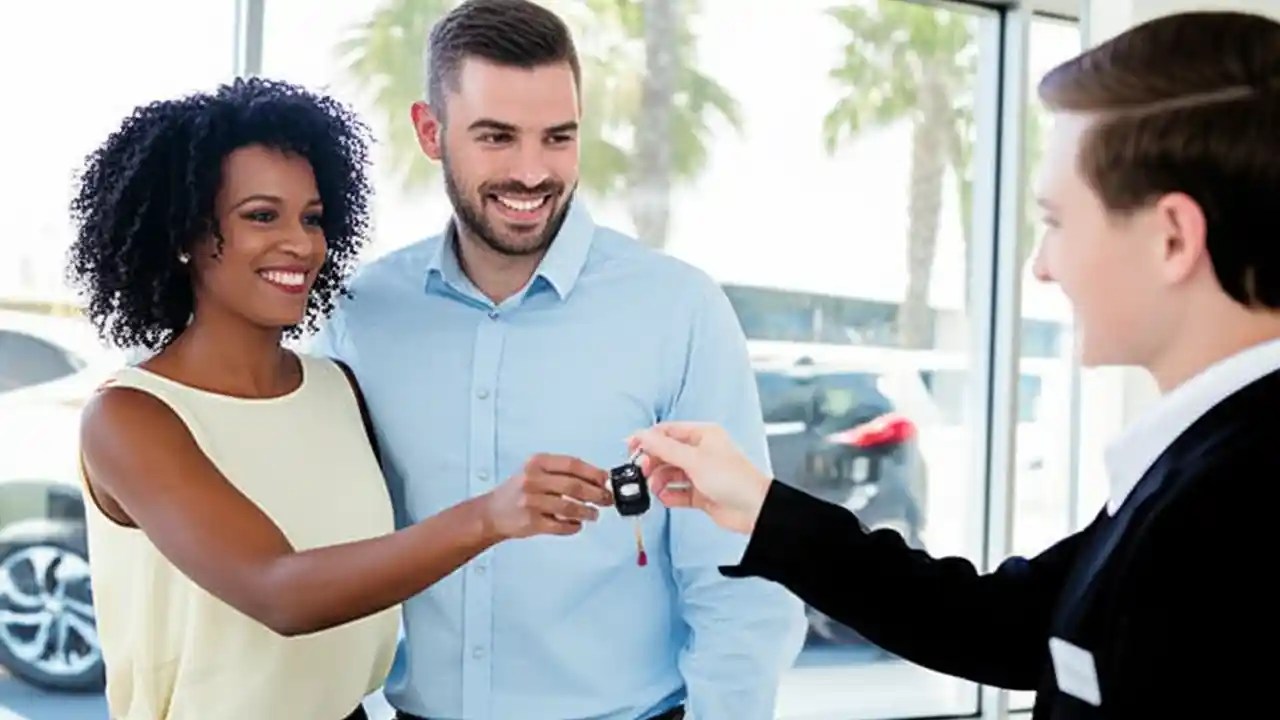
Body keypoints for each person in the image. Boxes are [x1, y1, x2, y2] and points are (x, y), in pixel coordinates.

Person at [627, 9, 1274, 720]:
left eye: (1057, 222)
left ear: (1172, 238)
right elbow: (1006, 623)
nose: (1042, 265)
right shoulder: (1198, 464)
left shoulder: (1234, 508)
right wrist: (759, 506)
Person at [307, 1, 806, 718]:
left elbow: (736, 582)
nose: (532, 172)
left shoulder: (678, 311)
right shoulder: (362, 316)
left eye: (558, 137)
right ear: (430, 131)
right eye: (497, 137)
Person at [68, 76, 614, 720]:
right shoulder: (131, 417)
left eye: (313, 218)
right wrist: (489, 516)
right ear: (186, 235)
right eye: (261, 216)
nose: (301, 244)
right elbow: (280, 592)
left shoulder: (337, 388)